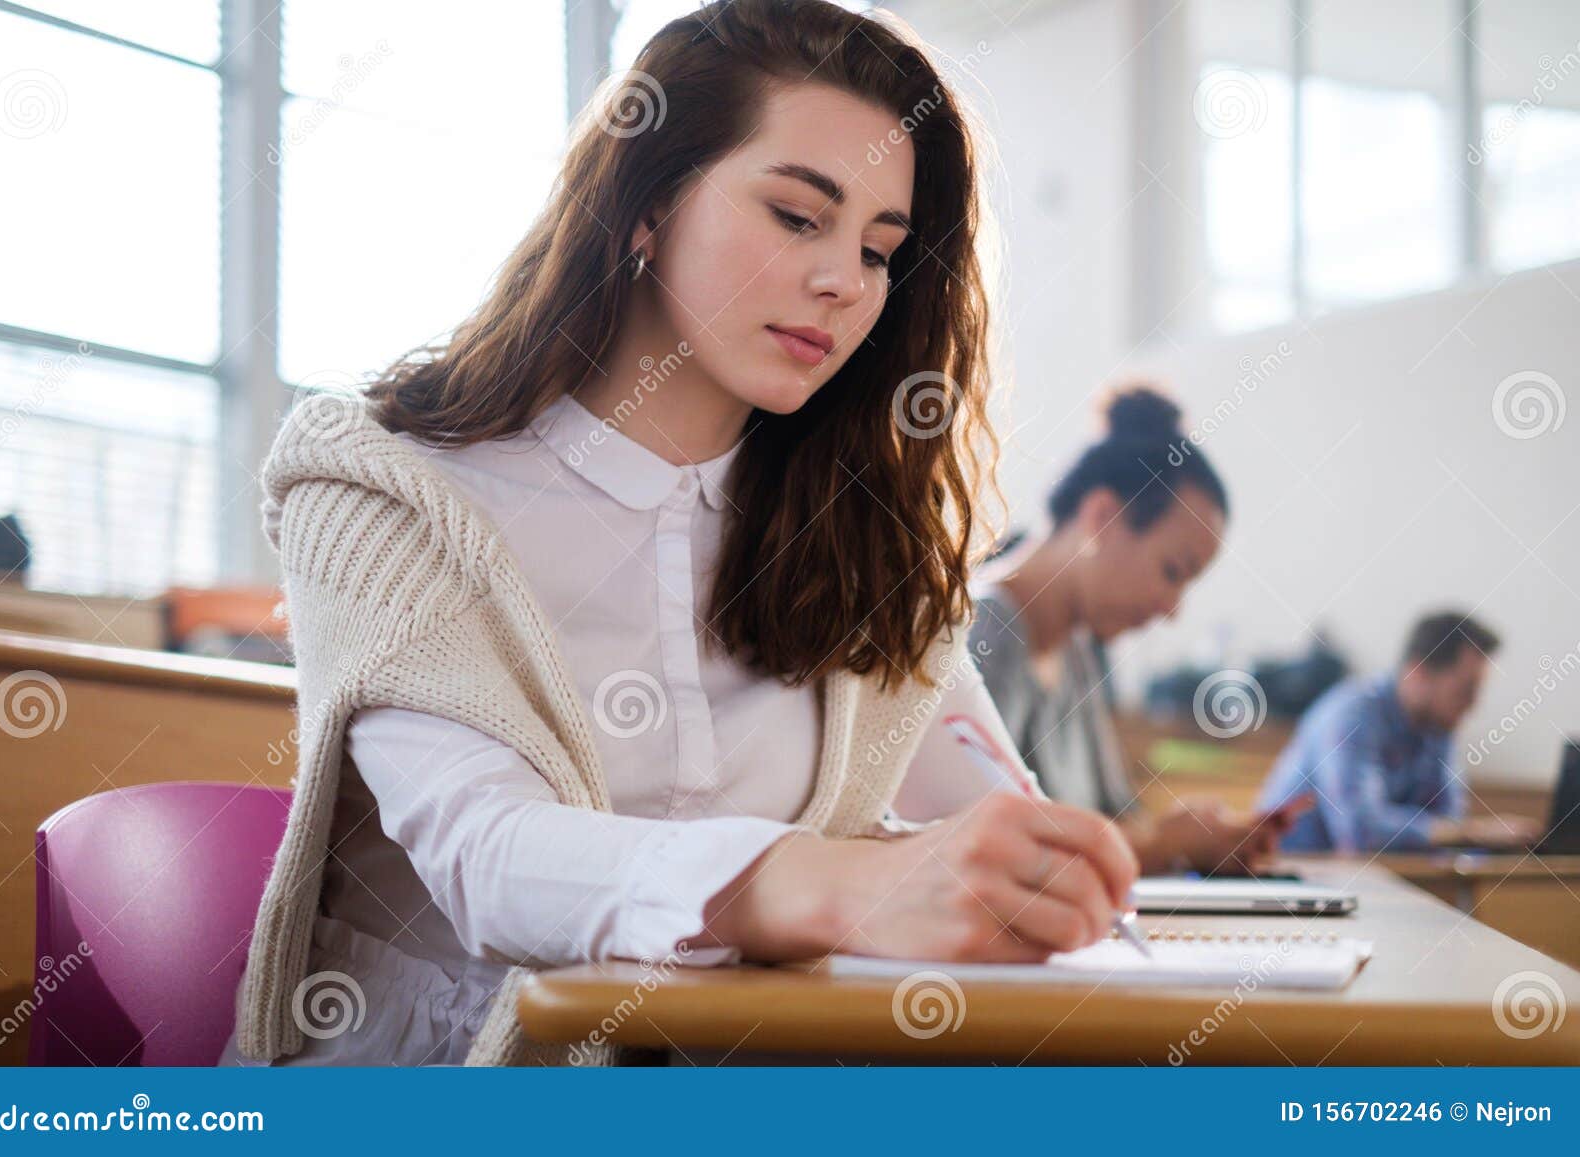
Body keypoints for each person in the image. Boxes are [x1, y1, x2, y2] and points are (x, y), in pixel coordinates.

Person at [221, 0, 1137, 1069]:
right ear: (645, 204)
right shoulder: (386, 489)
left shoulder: (858, 534)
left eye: (881, 250)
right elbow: (489, 858)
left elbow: (1001, 827)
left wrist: (1050, 881)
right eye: (798, 217)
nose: (844, 281)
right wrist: (838, 884)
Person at [969, 387, 1301, 876]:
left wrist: (1193, 837)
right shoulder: (982, 633)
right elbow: (984, 850)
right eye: (1172, 571)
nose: (1171, 610)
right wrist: (1167, 844)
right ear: (1102, 517)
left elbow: (1118, 818)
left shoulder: (1077, 650)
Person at [1258, 611, 1541, 853]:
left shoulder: (1436, 728)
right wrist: (1474, 832)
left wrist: (1464, 833)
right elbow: (1360, 832)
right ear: (1418, 673)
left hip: (1358, 881)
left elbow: (1449, 821)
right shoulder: (1350, 715)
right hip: (1292, 877)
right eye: (1465, 691)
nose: (1472, 706)